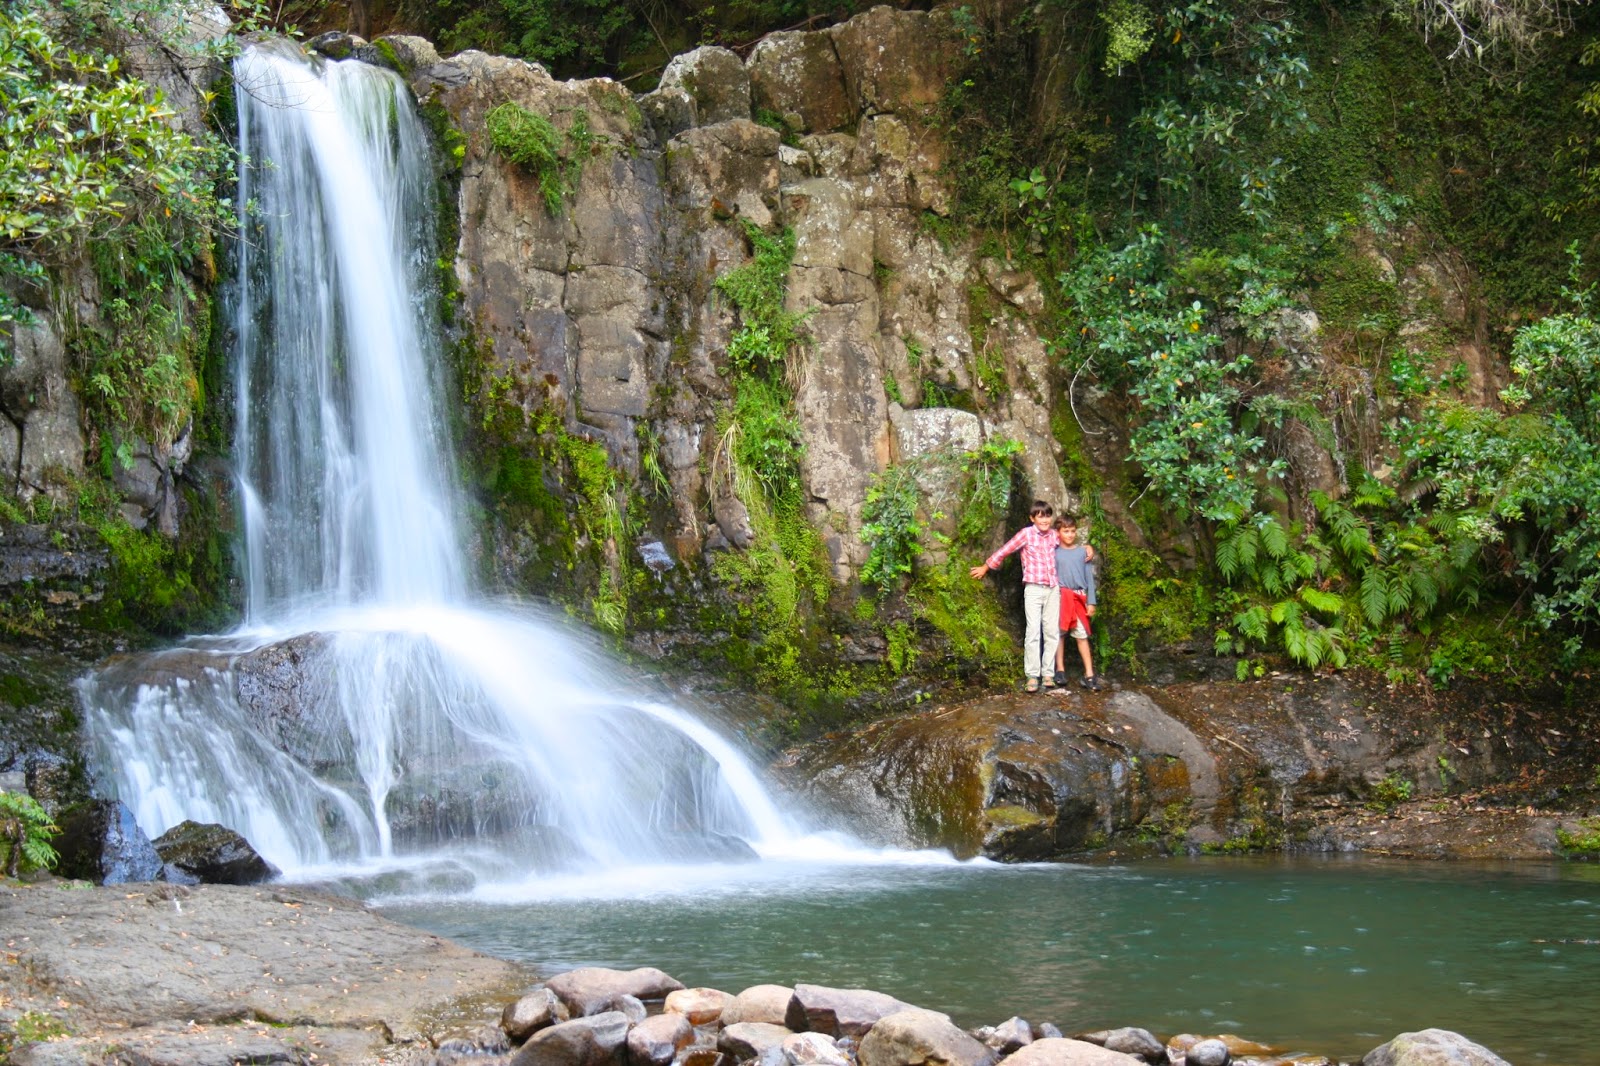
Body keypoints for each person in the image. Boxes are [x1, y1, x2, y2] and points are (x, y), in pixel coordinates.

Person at [970, 500, 1060, 692]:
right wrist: (986, 566)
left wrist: (1087, 549)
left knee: (1052, 632)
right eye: (1040, 516)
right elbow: (1006, 549)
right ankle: (1032, 675)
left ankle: (1048, 674)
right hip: (1034, 588)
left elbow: (1068, 548)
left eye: (1047, 516)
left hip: (1053, 589)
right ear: (1032, 518)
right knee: (1033, 632)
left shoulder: (1054, 536)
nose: (1044, 520)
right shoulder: (1026, 534)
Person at [1052, 516, 1102, 691]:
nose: (1070, 534)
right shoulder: (1054, 551)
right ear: (1058, 532)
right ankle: (1060, 670)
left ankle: (1089, 674)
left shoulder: (1083, 552)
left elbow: (1089, 577)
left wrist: (1091, 601)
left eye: (1073, 531)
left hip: (1079, 597)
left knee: (1082, 636)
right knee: (1059, 634)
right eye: (1066, 531)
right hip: (1060, 597)